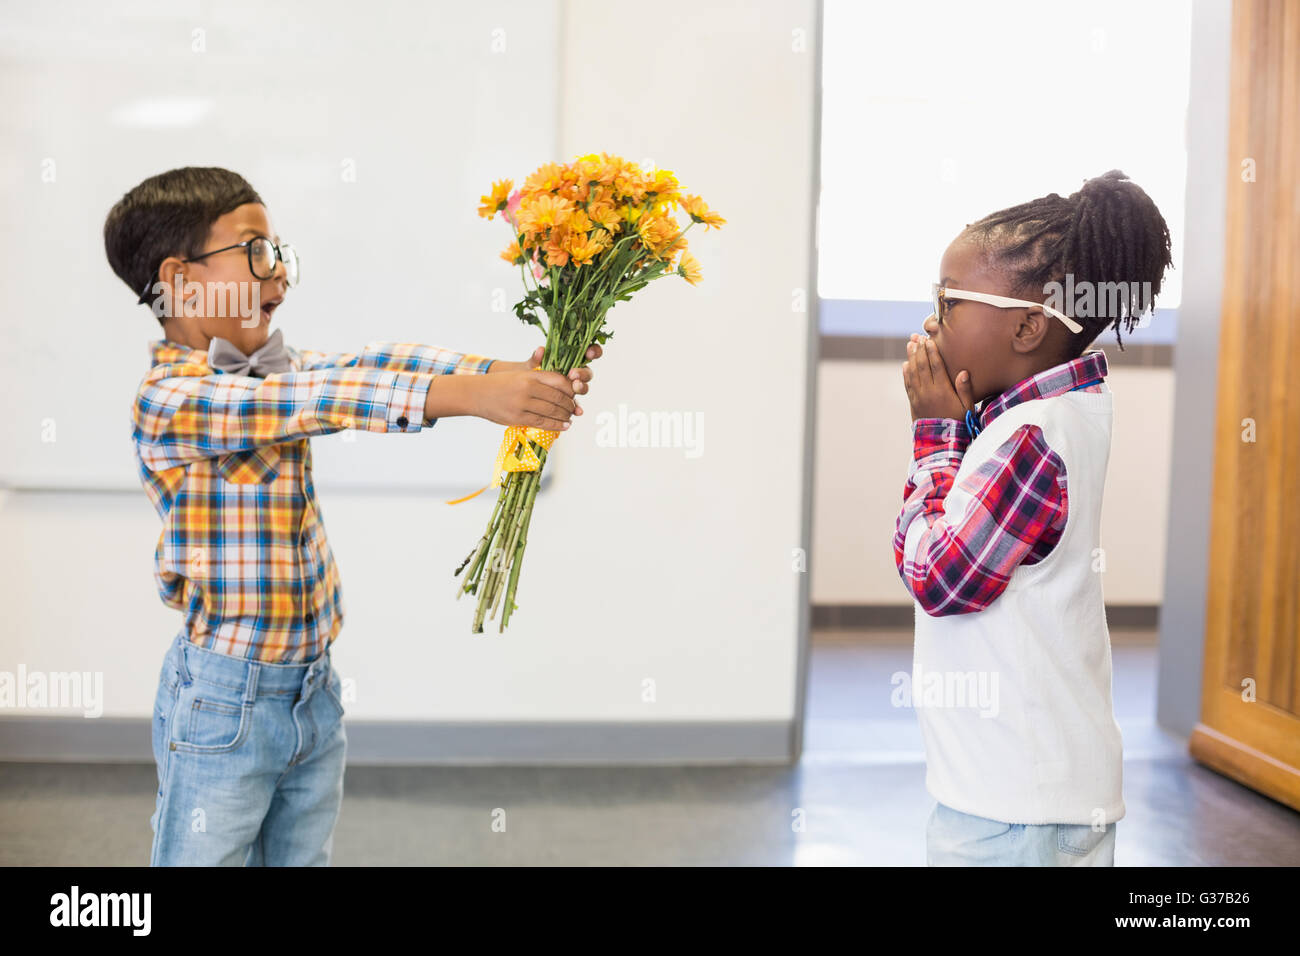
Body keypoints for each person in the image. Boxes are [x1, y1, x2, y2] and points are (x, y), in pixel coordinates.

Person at [103, 166, 601, 865]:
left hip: (311, 690)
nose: (278, 274)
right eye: (255, 251)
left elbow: (375, 363)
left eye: (279, 251)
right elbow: (319, 399)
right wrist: (471, 397)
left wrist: (503, 376)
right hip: (225, 698)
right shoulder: (171, 398)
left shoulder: (279, 371)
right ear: (180, 280)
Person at [893, 170, 1173, 866]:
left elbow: (940, 576)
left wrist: (933, 433)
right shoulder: (1040, 418)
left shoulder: (1032, 434)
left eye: (949, 301)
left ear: (1025, 327)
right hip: (1030, 797)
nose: (932, 321)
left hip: (1014, 811)